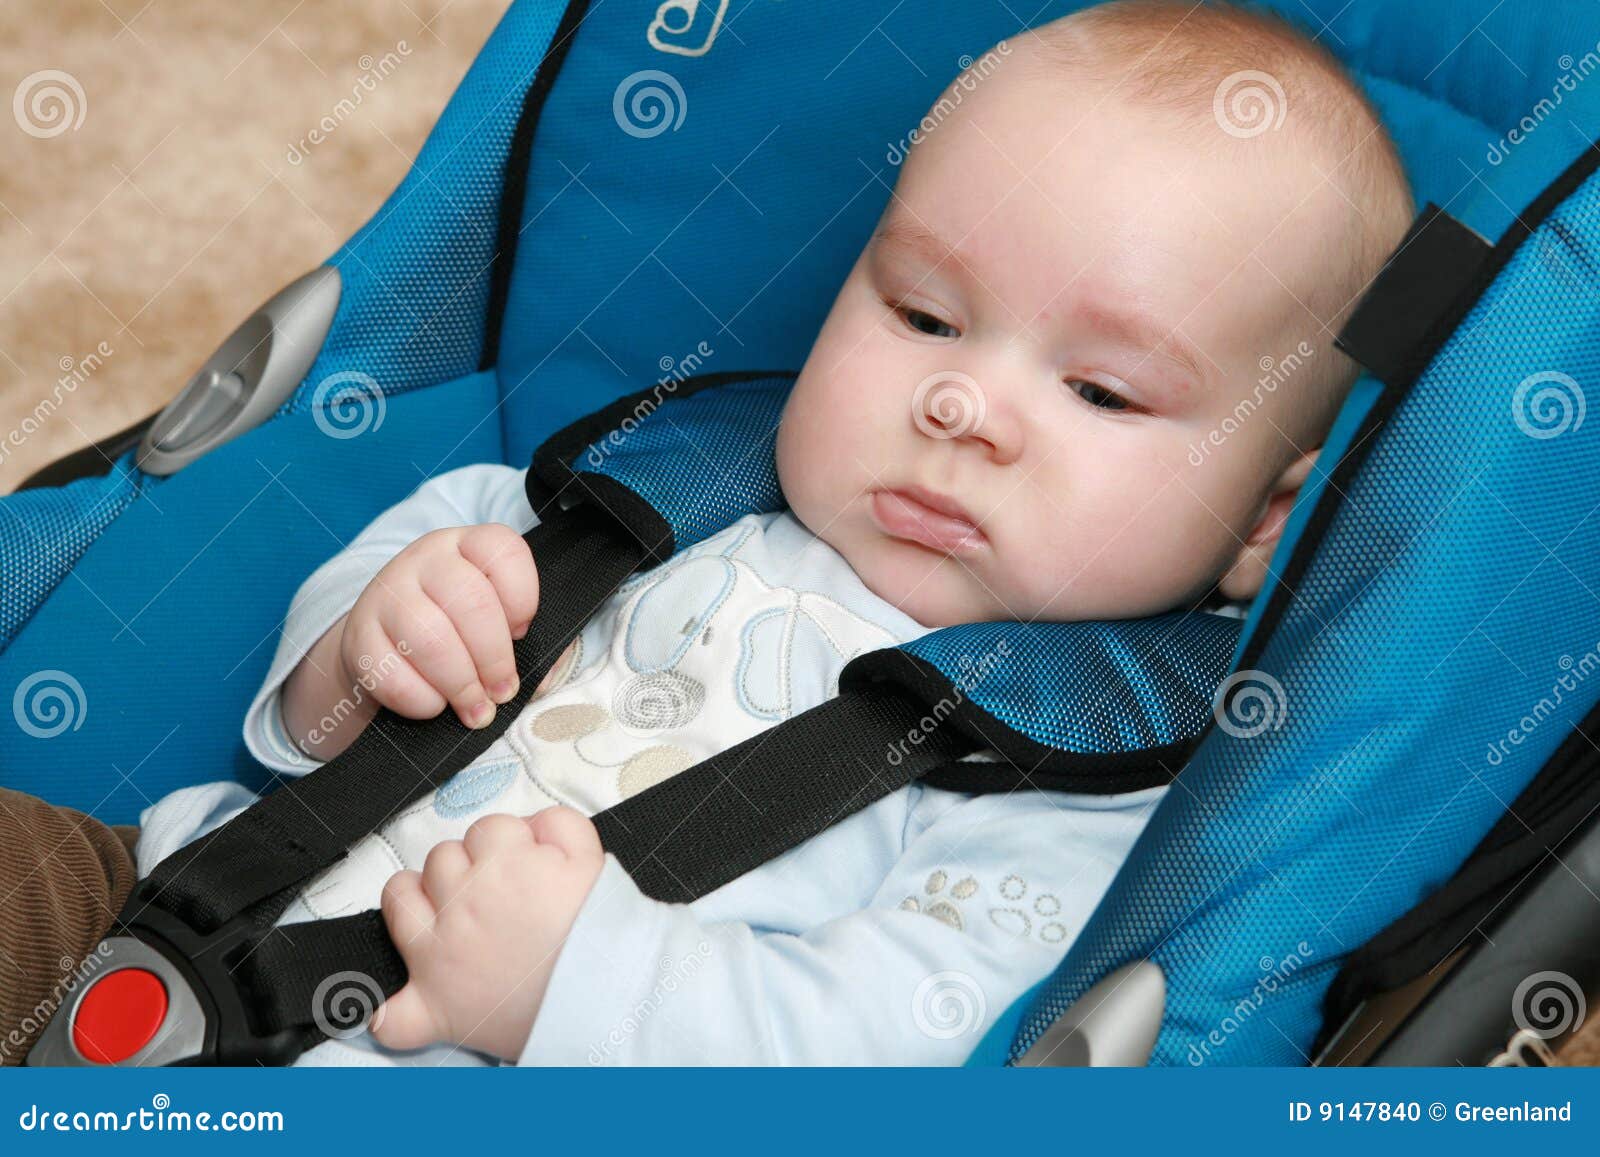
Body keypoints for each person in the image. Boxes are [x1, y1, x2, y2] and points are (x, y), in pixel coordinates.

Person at [1, 0, 1413, 1066]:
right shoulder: (655, 493)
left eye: (1100, 389)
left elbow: (893, 1040)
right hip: (146, 899)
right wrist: (369, 643)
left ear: (1261, 521)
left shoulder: (1073, 781)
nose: (960, 401)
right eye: (924, 314)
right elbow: (339, 673)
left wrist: (581, 984)